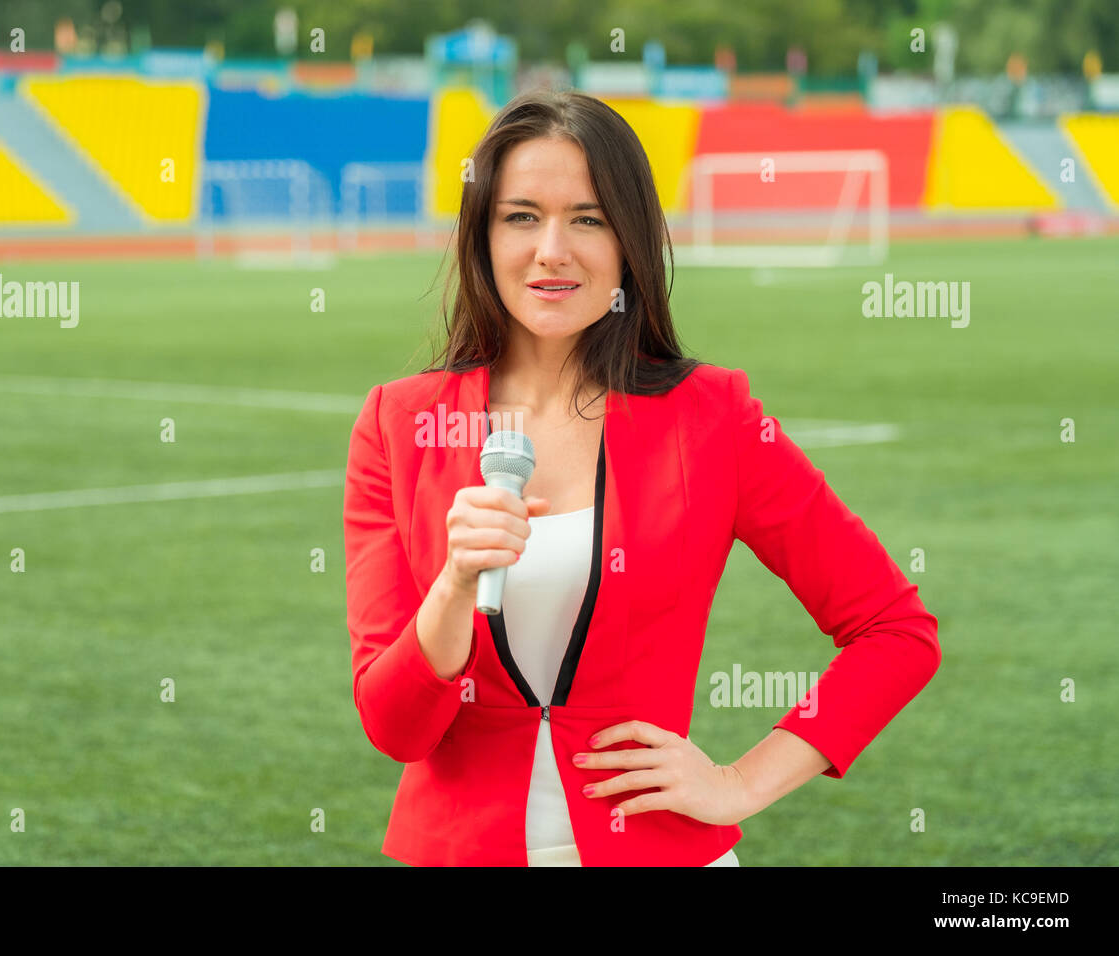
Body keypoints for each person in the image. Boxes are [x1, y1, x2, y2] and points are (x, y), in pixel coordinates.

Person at [343, 88, 940, 866]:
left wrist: (741, 783)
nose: (551, 249)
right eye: (520, 216)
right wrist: (455, 585)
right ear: (481, 236)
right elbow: (394, 728)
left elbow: (896, 632)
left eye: (587, 218)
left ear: (630, 240)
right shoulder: (397, 423)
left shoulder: (713, 415)